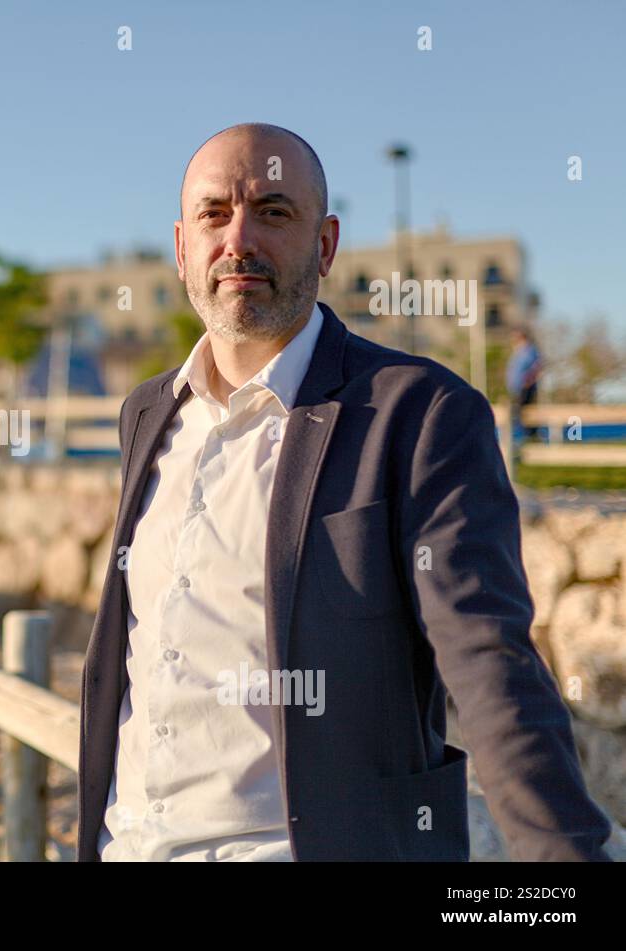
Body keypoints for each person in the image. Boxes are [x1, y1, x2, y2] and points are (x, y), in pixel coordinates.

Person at [77, 123, 611, 862]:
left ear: (325, 245)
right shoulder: (147, 411)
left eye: (273, 210)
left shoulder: (419, 412)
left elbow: (487, 659)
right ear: (180, 248)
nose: (239, 239)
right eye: (213, 214)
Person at [505, 326, 543, 443]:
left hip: (525, 388)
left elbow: (537, 368)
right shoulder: (518, 351)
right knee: (517, 413)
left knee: (524, 414)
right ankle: (522, 438)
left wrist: (528, 382)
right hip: (516, 388)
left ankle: (531, 438)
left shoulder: (529, 351)